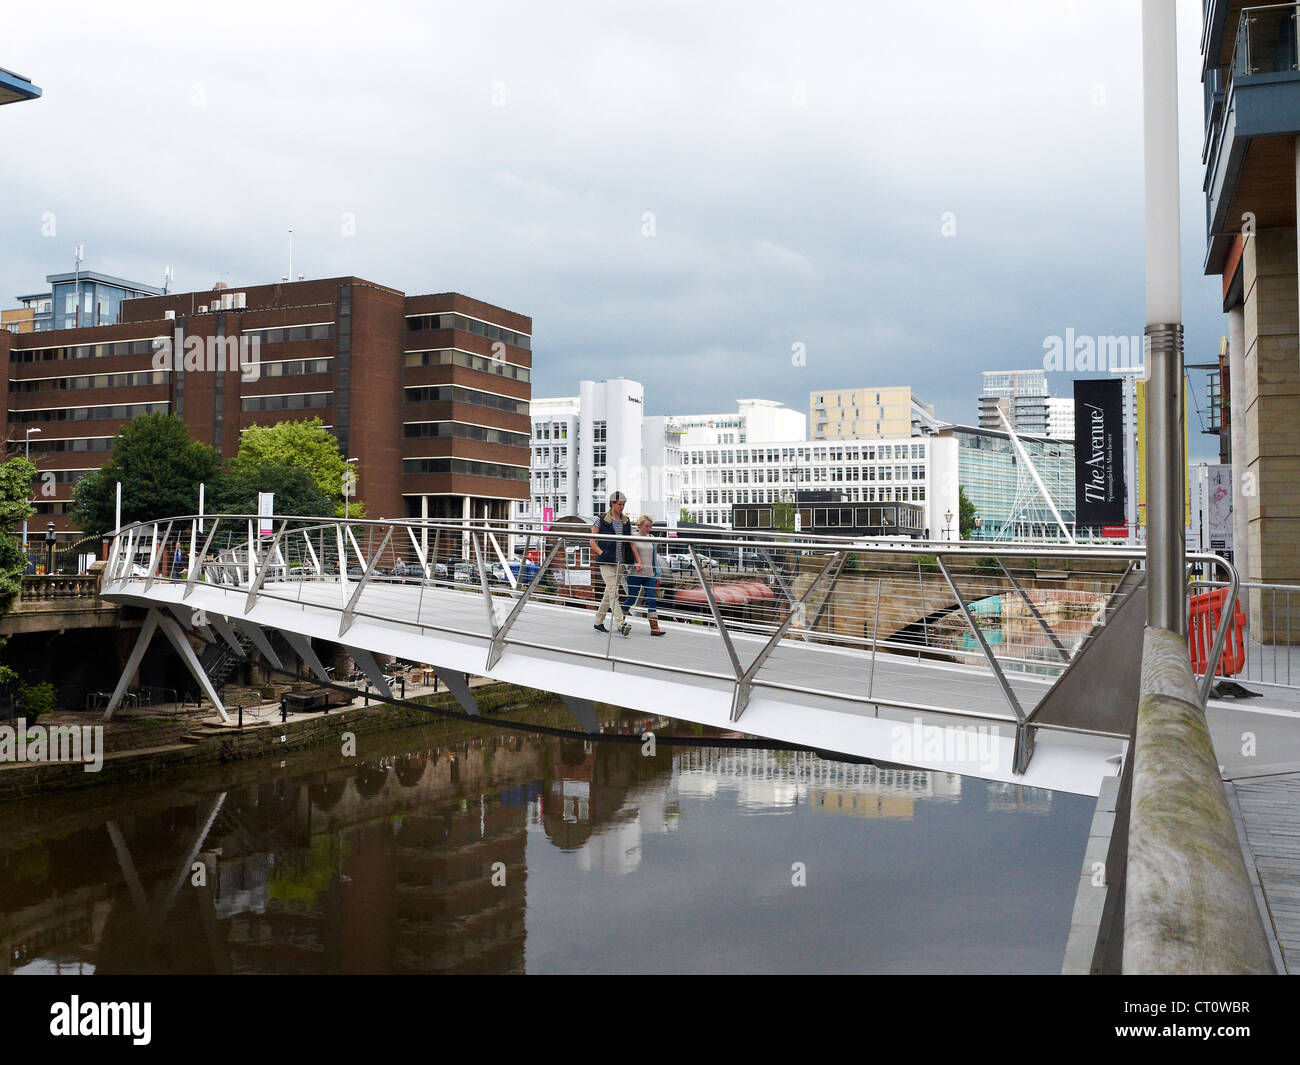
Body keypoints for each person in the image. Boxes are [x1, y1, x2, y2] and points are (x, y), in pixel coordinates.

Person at [590, 491, 632, 636]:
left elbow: (629, 541)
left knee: (609, 593)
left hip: (620, 562)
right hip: (606, 562)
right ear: (612, 504)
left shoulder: (626, 521)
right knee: (614, 593)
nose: (622, 507)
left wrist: (633, 559)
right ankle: (621, 624)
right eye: (619, 504)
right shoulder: (600, 520)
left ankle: (598, 622)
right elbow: (592, 541)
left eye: (623, 504)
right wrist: (602, 553)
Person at [621, 514, 666, 636]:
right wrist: (634, 564)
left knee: (651, 600)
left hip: (649, 575)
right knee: (631, 599)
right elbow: (627, 556)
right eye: (647, 526)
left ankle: (654, 628)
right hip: (635, 574)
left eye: (650, 526)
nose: (649, 529)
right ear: (640, 525)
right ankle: (620, 620)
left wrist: (657, 575)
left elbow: (654, 559)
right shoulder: (632, 537)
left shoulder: (652, 538)